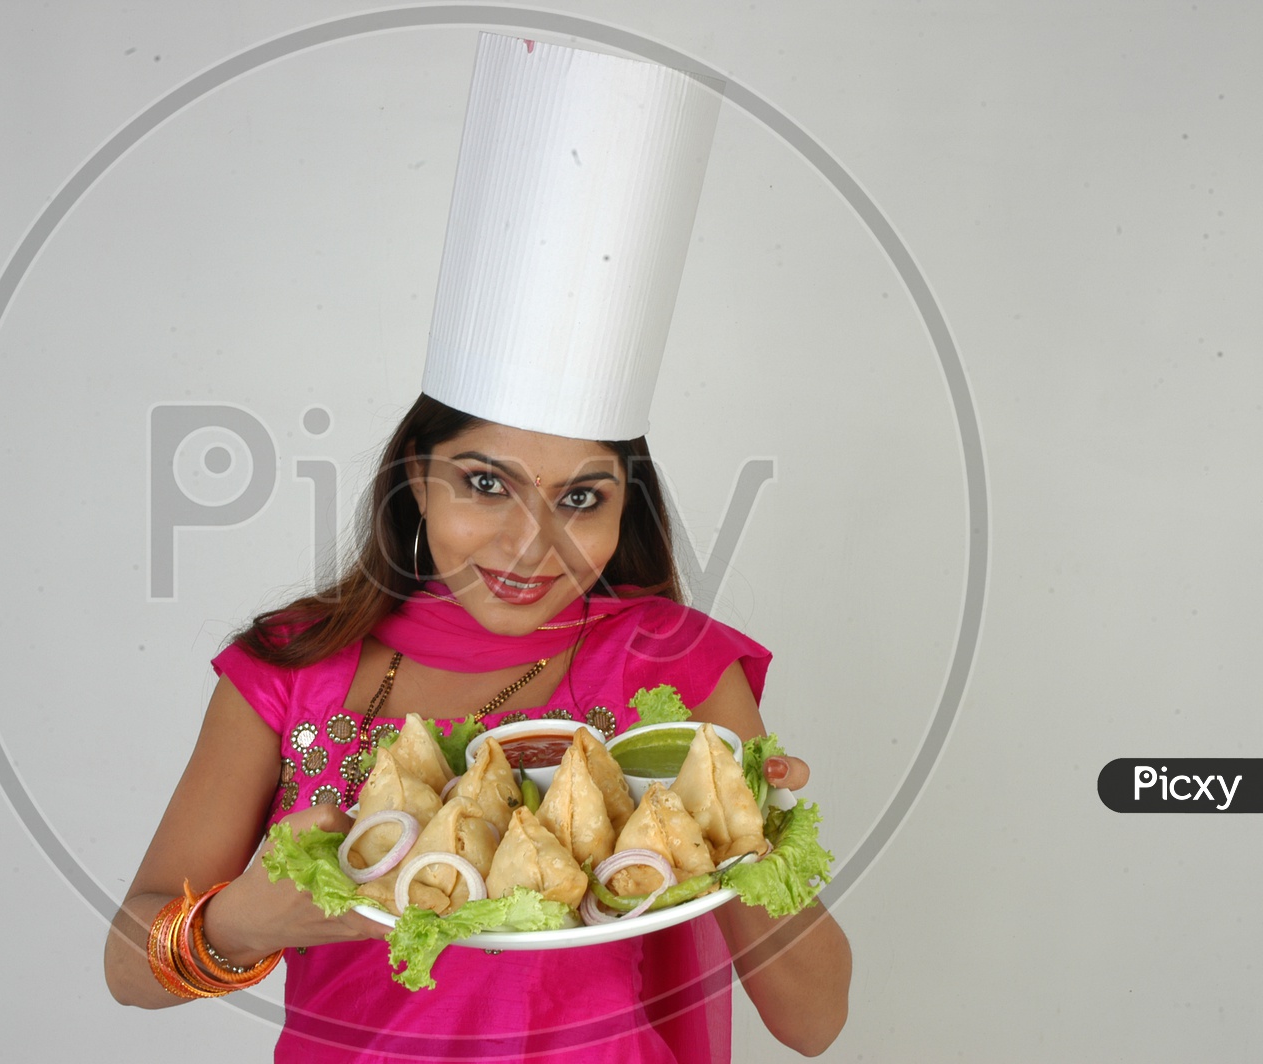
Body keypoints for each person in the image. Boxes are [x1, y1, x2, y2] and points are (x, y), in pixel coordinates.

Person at [104, 32, 852, 1060]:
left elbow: (813, 1022)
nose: (528, 541)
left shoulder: (671, 669)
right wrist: (243, 921)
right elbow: (125, 969)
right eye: (484, 483)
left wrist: (733, 836)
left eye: (580, 496)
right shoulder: (290, 666)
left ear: (622, 504)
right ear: (415, 479)